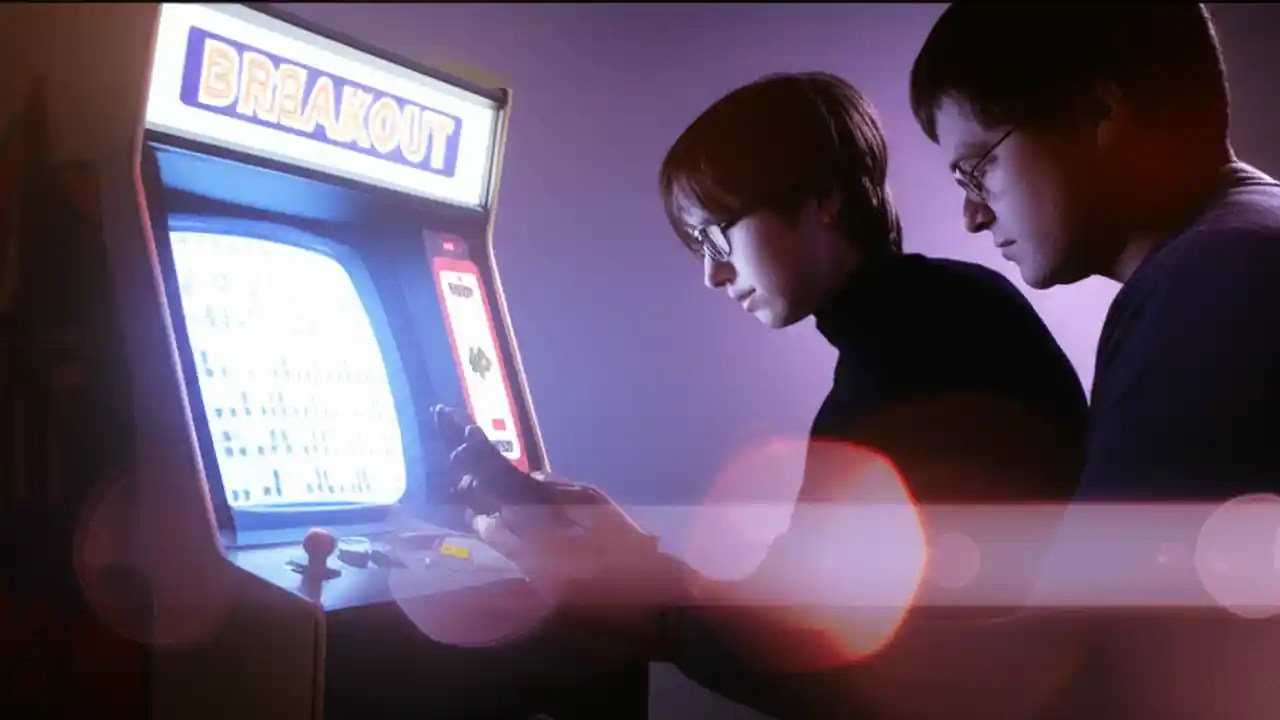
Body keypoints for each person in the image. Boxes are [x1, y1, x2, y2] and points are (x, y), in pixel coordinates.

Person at [440, 71, 1089, 718]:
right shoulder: (941, 310)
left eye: (716, 234)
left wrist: (627, 592)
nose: (712, 272)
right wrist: (636, 556)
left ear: (822, 198)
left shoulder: (912, 355)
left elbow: (824, 659)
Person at [906, 4, 1280, 716]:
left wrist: (707, 621)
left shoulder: (1213, 283)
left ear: (1098, 112)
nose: (973, 216)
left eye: (979, 168)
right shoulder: (1241, 247)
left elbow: (1079, 667)